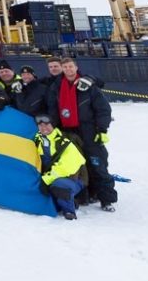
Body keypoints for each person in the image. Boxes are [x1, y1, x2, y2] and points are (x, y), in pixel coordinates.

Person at [46, 57, 117, 211]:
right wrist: (53, 127)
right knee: (75, 165)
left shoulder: (88, 86)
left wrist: (102, 129)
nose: (68, 70)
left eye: (71, 66)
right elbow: (53, 109)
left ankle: (106, 199)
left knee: (98, 164)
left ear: (76, 67)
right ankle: (85, 195)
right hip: (68, 132)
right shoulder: (56, 87)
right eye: (65, 67)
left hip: (89, 130)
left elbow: (103, 109)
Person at [34, 114, 88, 220]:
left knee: (59, 185)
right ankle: (66, 202)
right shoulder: (38, 140)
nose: (43, 127)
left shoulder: (65, 142)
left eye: (47, 124)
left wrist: (46, 180)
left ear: (53, 125)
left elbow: (65, 168)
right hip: (51, 177)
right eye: (40, 125)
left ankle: (69, 211)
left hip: (74, 178)